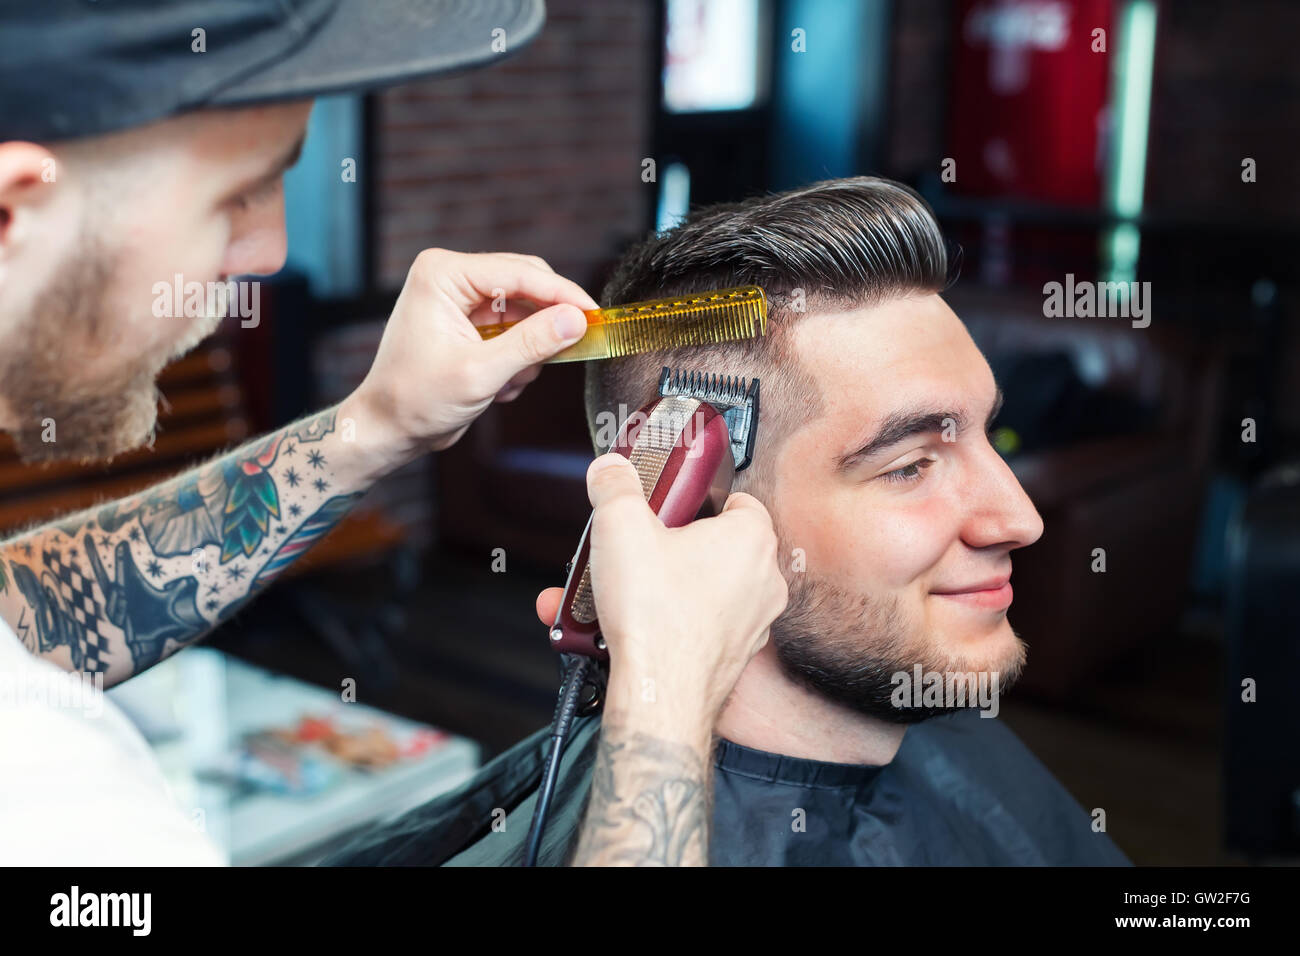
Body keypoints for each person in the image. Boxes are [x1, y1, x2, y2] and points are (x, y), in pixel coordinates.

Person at [0, 0, 787, 865]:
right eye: (236, 195)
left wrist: (374, 425)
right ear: (10, 214)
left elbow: (29, 614)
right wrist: (670, 686)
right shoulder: (56, 800)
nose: (270, 252)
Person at [325, 176, 1133, 866]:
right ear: (684, 503)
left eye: (988, 434)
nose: (1019, 519)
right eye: (911, 465)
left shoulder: (949, 742)